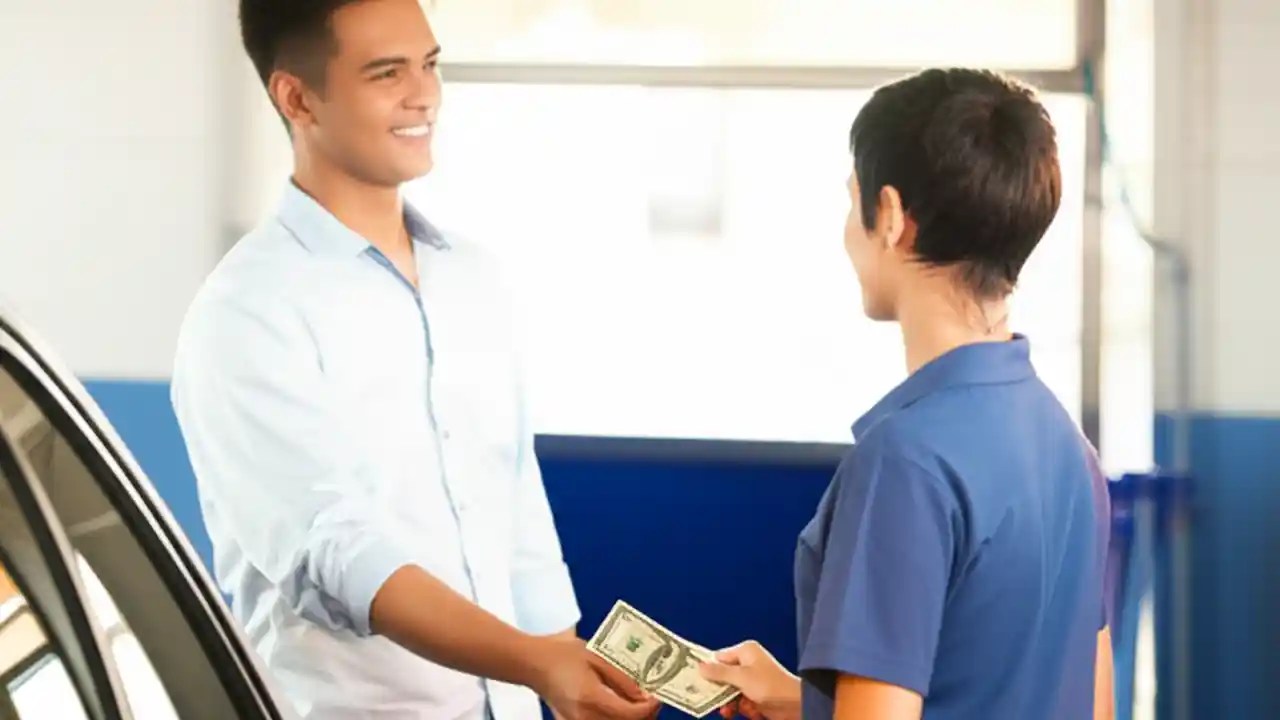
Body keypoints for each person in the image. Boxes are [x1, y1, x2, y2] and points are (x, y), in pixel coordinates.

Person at [170, 1, 659, 719]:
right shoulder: (245, 313)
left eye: (429, 64)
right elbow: (336, 553)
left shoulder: (473, 278)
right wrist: (536, 664)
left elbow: (515, 505)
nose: (423, 94)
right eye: (385, 72)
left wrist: (563, 677)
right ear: (296, 96)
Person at [699, 69, 1115, 720]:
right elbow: (1092, 705)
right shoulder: (1070, 448)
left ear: (889, 217)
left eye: (852, 199)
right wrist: (800, 699)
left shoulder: (907, 462)